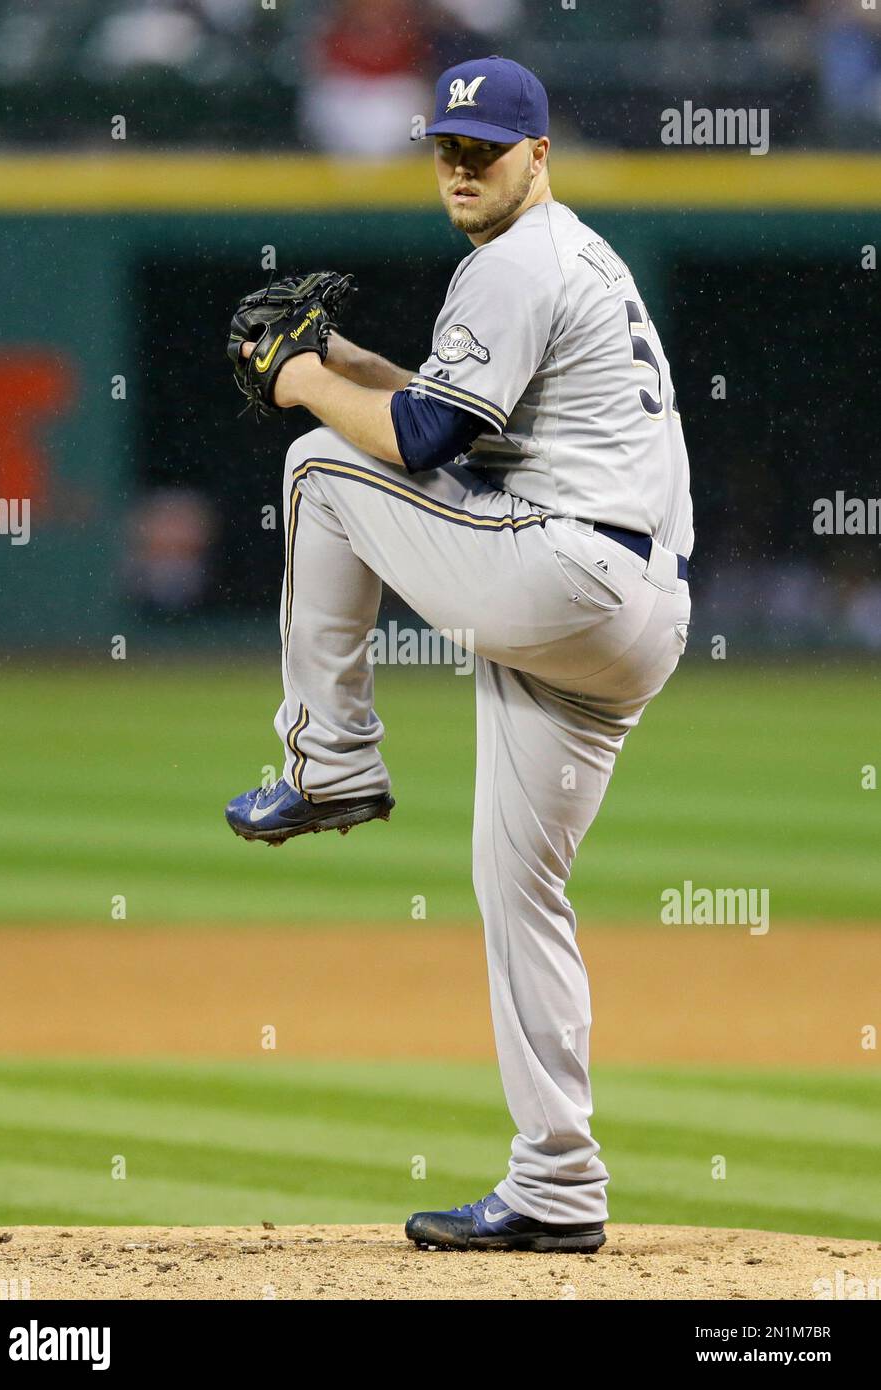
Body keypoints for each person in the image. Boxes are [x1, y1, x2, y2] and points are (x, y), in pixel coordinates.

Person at [225, 55, 693, 1253]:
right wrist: (346, 366)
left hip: (567, 575)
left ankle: (331, 761)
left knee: (314, 466)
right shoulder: (571, 257)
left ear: (539, 153)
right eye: (446, 146)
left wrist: (299, 380)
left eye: (484, 149)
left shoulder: (514, 261)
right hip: (625, 615)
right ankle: (558, 1185)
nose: (460, 166)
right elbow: (446, 424)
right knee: (518, 890)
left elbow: (417, 437)